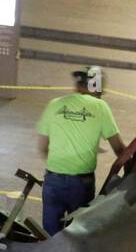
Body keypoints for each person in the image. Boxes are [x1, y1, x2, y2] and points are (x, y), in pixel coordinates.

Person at [36, 65, 127, 235]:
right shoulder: (100, 107)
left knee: (49, 236)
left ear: (78, 86)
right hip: (81, 184)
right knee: (76, 235)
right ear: (97, 89)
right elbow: (119, 148)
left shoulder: (54, 104)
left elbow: (43, 148)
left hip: (53, 180)